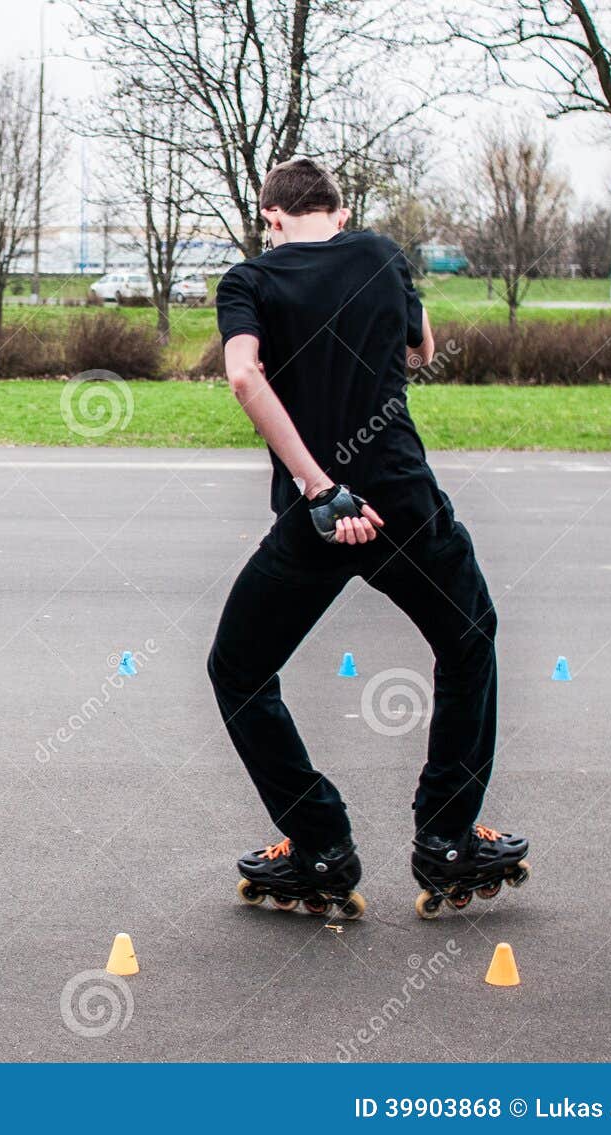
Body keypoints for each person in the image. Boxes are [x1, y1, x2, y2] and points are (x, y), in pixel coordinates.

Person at [209, 158, 528, 920]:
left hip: (316, 520)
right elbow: (421, 348)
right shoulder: (382, 256)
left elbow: (245, 377)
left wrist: (319, 488)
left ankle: (319, 844)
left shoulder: (249, 280)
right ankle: (447, 838)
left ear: (272, 217)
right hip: (405, 506)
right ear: (340, 210)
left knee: (240, 671)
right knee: (468, 638)